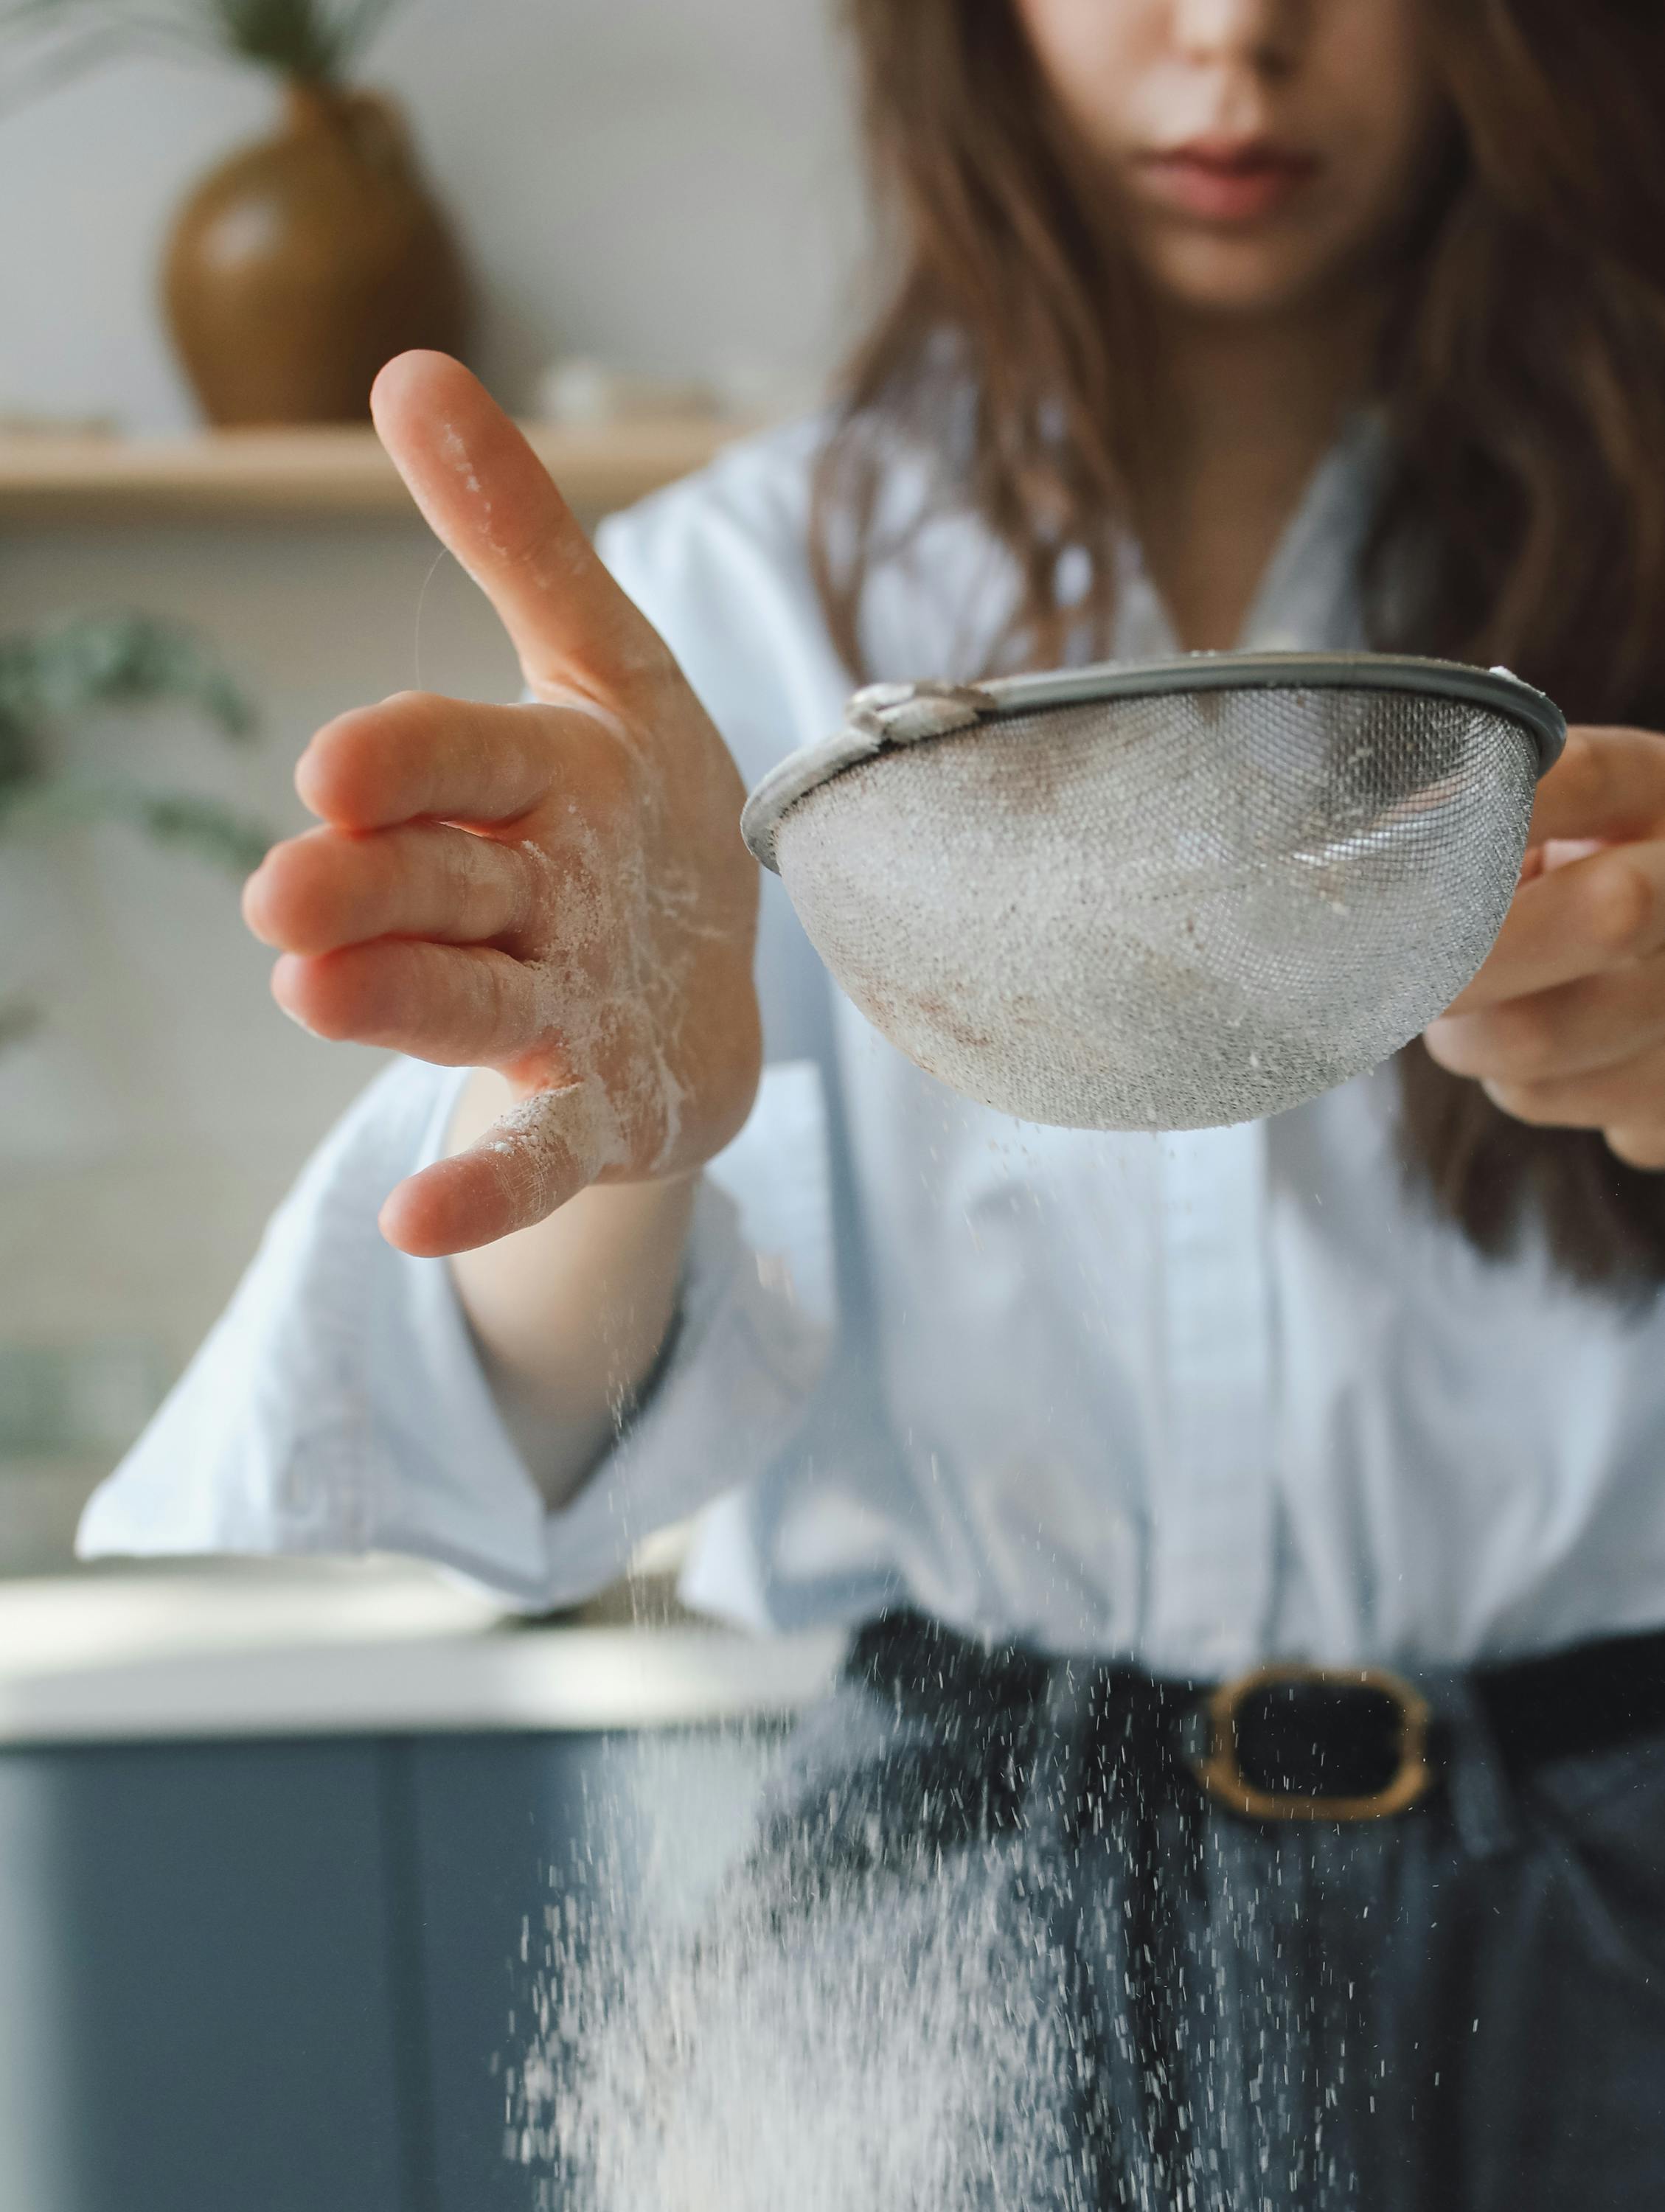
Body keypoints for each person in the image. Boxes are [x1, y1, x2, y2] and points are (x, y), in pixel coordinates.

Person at [83, 1, 1665, 2203]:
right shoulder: (739, 595)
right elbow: (495, 1424)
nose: (1237, 35)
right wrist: (611, 1107)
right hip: (956, 1920)